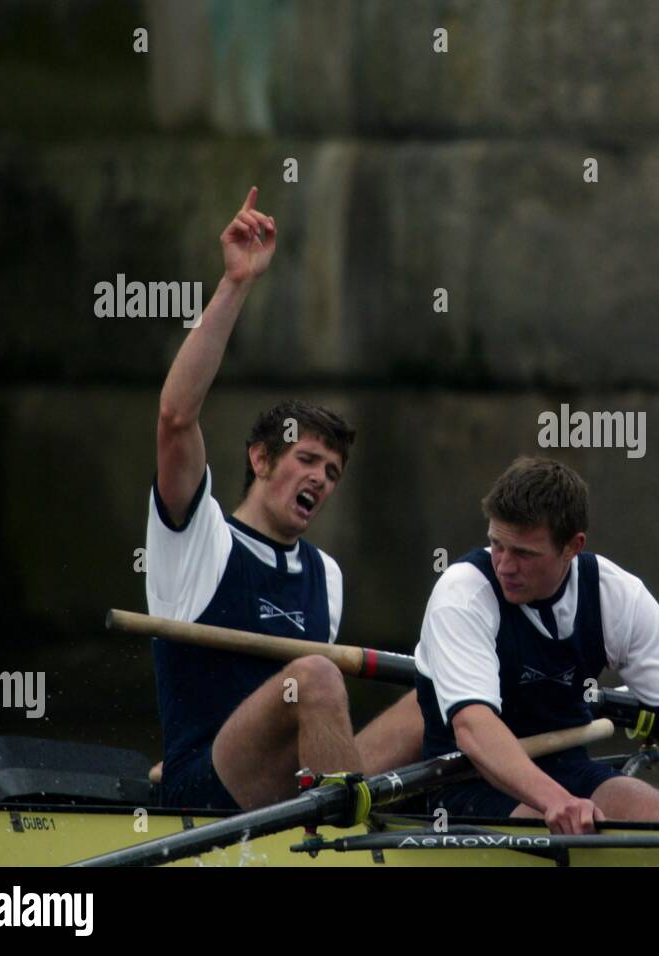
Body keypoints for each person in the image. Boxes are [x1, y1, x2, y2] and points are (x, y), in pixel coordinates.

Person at [146, 187, 422, 810]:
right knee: (318, 674)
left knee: (435, 699)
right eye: (306, 459)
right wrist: (235, 284)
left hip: (283, 784)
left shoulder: (326, 575)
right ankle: (349, 842)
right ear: (261, 459)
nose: (322, 478)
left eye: (332, 470)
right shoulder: (198, 537)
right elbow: (174, 417)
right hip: (202, 788)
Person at [414, 456, 659, 833]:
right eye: (497, 544)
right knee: (556, 832)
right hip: (465, 781)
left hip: (568, 769)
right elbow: (474, 728)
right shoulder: (463, 593)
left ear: (573, 546)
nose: (504, 565)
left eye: (523, 553)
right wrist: (556, 800)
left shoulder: (615, 596)